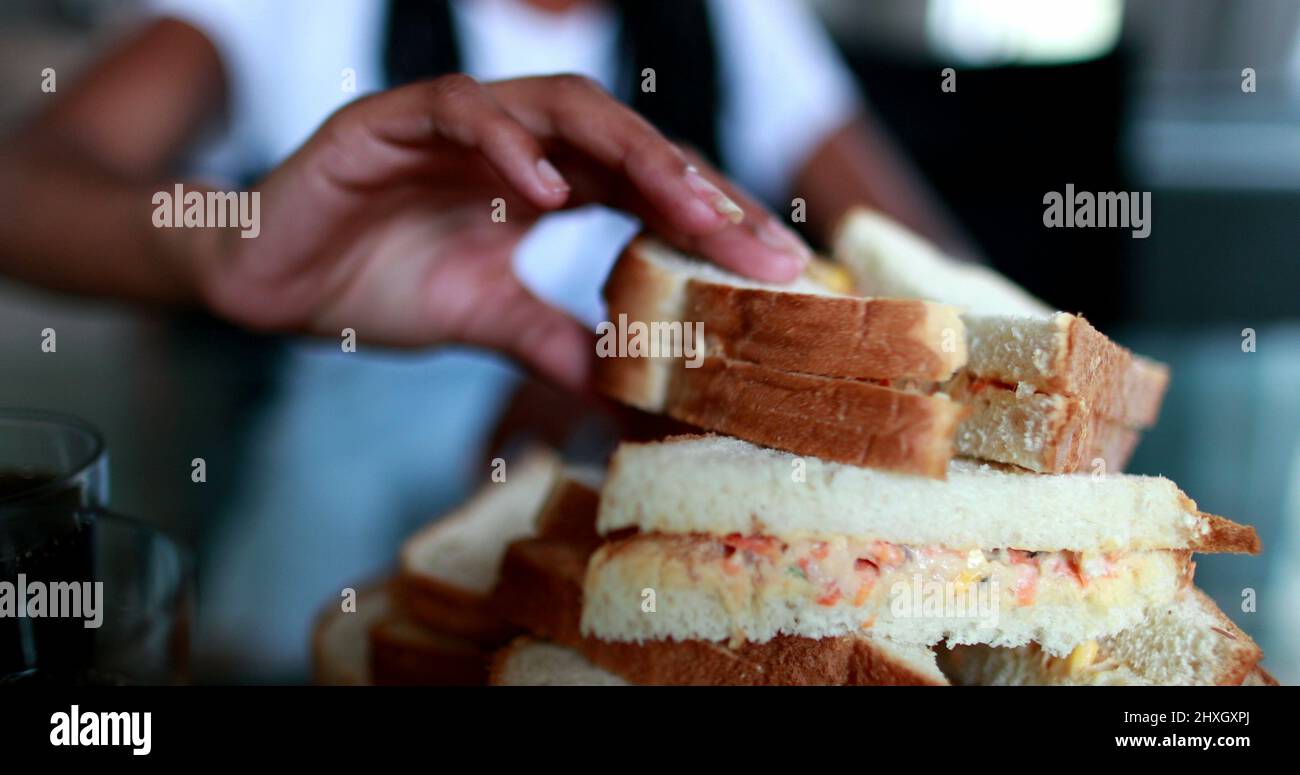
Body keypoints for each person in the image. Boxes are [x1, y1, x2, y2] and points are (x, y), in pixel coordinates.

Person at [0, 0, 970, 679]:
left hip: (660, 498)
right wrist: (228, 247)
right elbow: (22, 187)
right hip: (323, 520)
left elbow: (921, 274)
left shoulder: (738, 15)